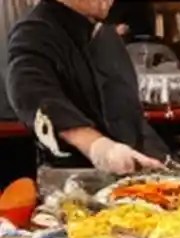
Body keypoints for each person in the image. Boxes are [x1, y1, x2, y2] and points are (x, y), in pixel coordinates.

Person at [5, 0, 166, 173]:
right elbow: (33, 94)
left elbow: (131, 115)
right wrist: (98, 147)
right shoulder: (33, 32)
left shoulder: (107, 34)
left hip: (133, 181)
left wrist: (163, 161)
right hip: (74, 180)